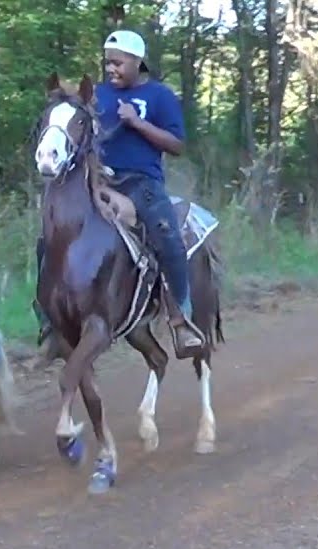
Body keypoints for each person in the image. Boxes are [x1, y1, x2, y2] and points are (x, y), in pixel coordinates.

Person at [32, 29, 207, 359]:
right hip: (100, 180)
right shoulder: (97, 94)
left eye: (117, 63)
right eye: (107, 63)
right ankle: (50, 319)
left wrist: (137, 122)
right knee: (50, 237)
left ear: (137, 61)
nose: (111, 69)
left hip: (142, 183)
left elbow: (177, 145)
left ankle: (180, 319)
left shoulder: (159, 96)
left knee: (168, 236)